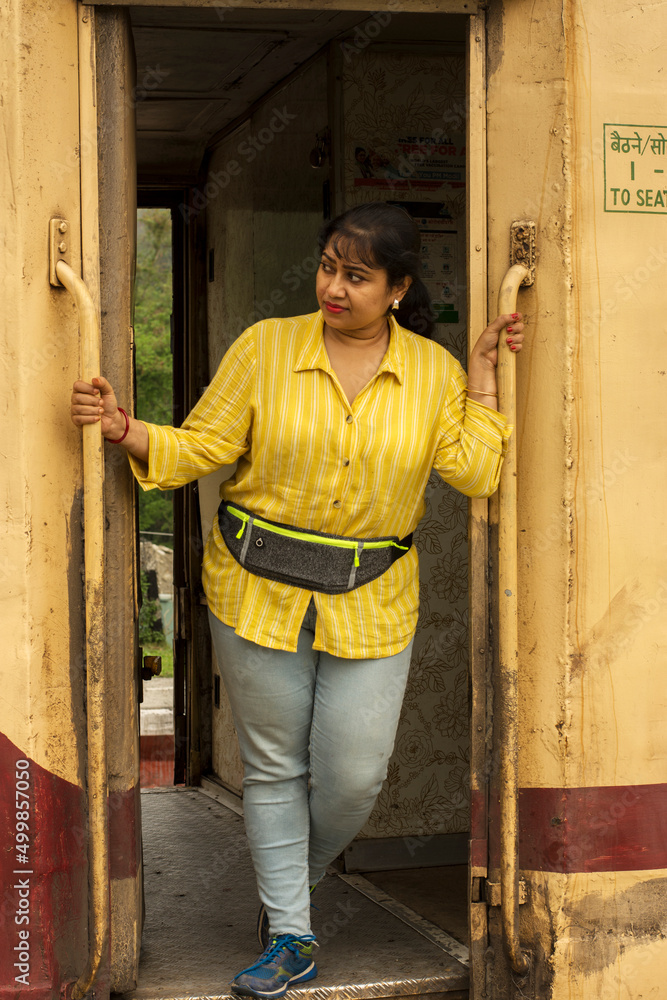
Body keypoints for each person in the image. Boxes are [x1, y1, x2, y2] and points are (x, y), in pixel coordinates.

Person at [70, 202, 524, 1000]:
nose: (333, 287)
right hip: (256, 586)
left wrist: (483, 381)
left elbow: (475, 473)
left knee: (354, 774)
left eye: (356, 275)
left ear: (396, 288)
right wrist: (123, 428)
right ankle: (292, 934)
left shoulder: (431, 370)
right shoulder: (266, 348)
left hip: (374, 594)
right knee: (276, 767)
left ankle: (293, 891)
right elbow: (202, 447)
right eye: (327, 267)